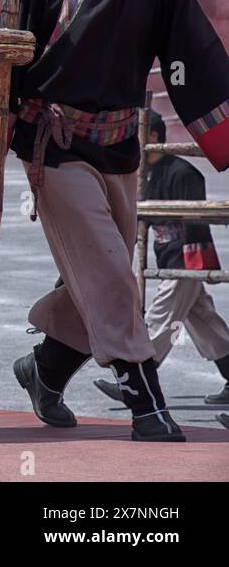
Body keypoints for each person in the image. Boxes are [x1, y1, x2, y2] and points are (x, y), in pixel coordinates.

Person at [0, 0, 229, 442]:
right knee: (110, 272)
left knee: (97, 276)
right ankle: (147, 403)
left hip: (121, 148)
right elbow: (6, 67)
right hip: (55, 148)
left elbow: (194, 60)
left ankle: (44, 370)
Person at [93, 112, 229, 405]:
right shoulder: (144, 175)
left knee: (160, 317)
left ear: (152, 136)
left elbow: (196, 224)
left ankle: (137, 382)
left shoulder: (183, 173)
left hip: (187, 259)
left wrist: (192, 267)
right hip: (169, 260)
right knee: (205, 322)